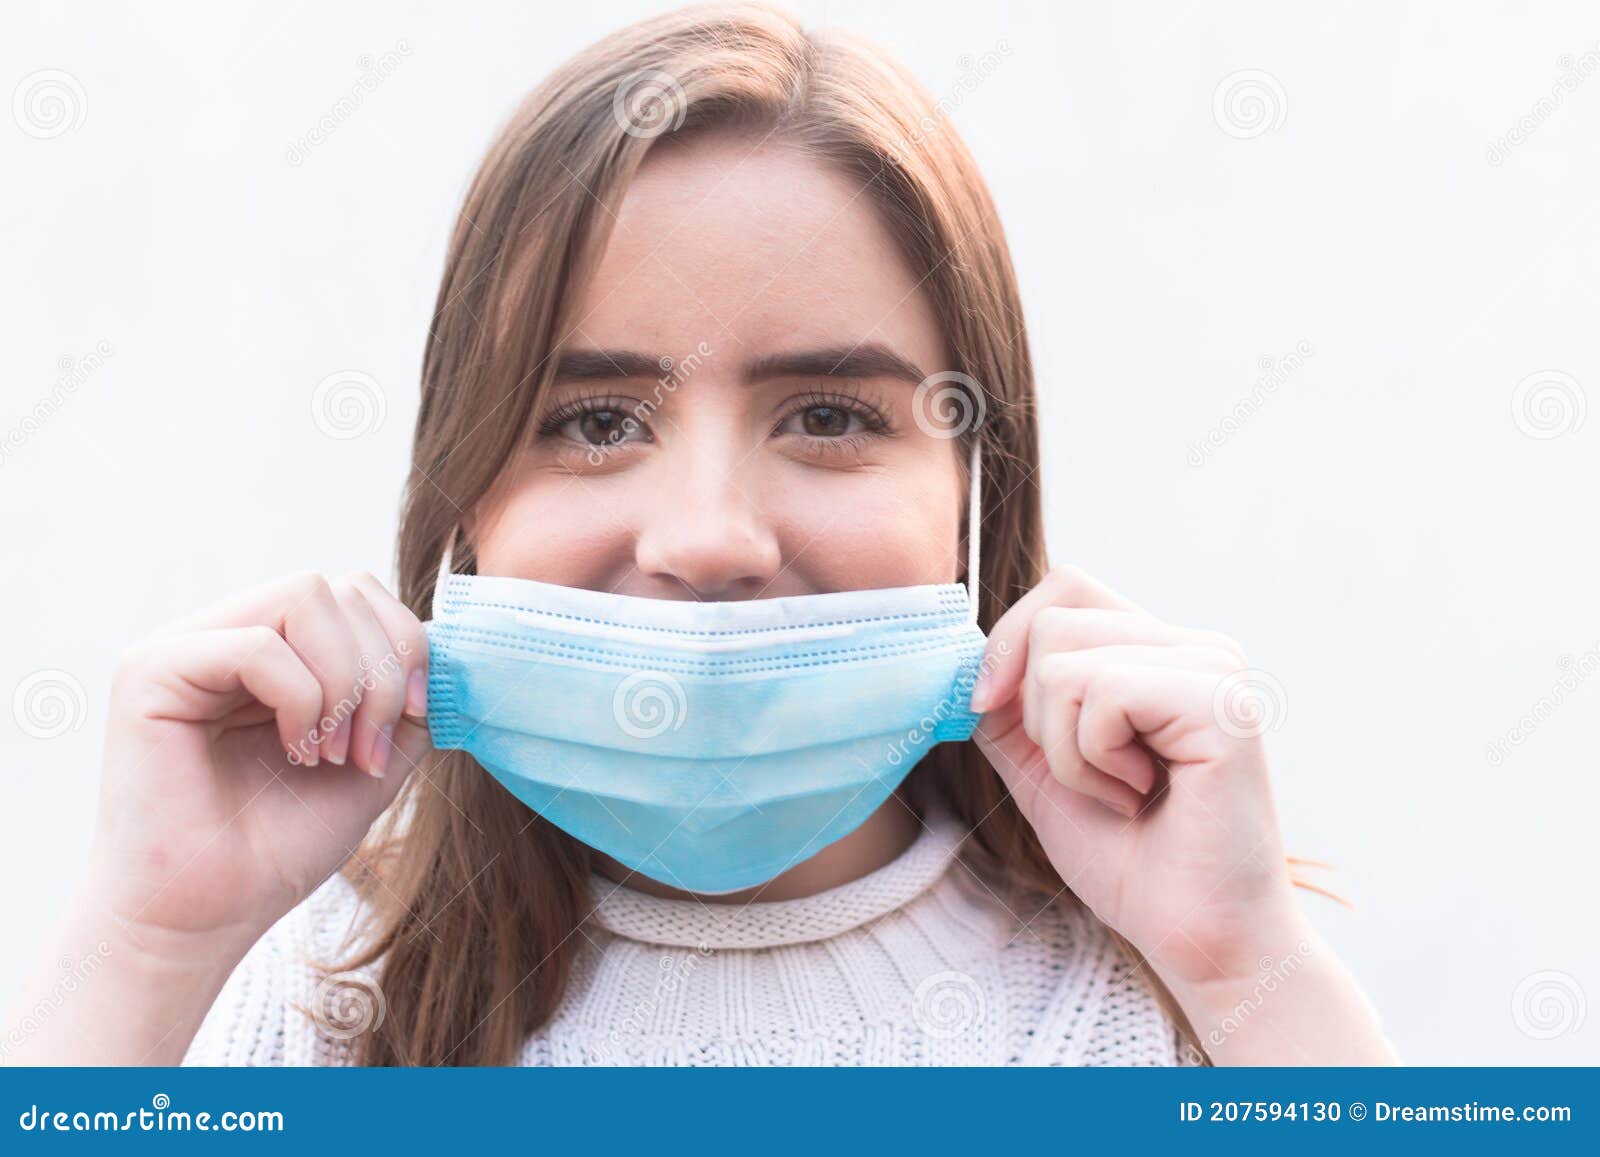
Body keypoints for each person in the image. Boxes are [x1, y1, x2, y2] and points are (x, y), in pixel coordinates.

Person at [5, 2, 1393, 1067]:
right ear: (461, 502)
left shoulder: (1187, 1010)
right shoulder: (296, 1007)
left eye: (831, 415)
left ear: (979, 498)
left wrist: (1245, 970)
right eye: (596, 421)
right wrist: (146, 949)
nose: (710, 538)